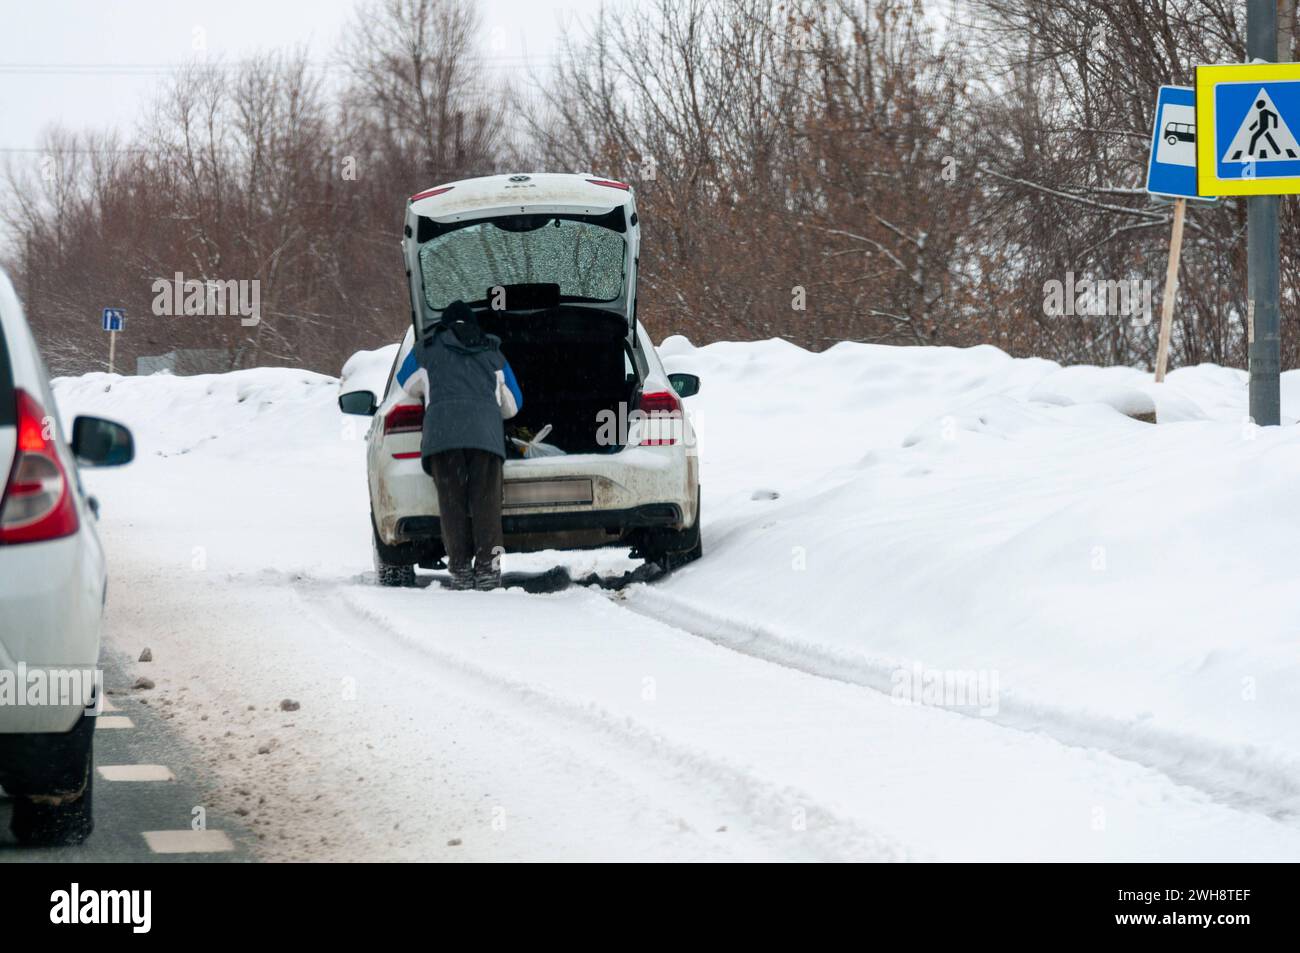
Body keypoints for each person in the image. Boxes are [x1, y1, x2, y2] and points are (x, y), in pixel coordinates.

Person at [397, 300, 523, 590]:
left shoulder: (426, 350)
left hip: (444, 439)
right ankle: (489, 571)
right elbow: (514, 405)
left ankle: (461, 571)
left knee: (452, 505)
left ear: (444, 324)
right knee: (486, 505)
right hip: (485, 439)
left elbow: (406, 383)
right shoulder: (493, 353)